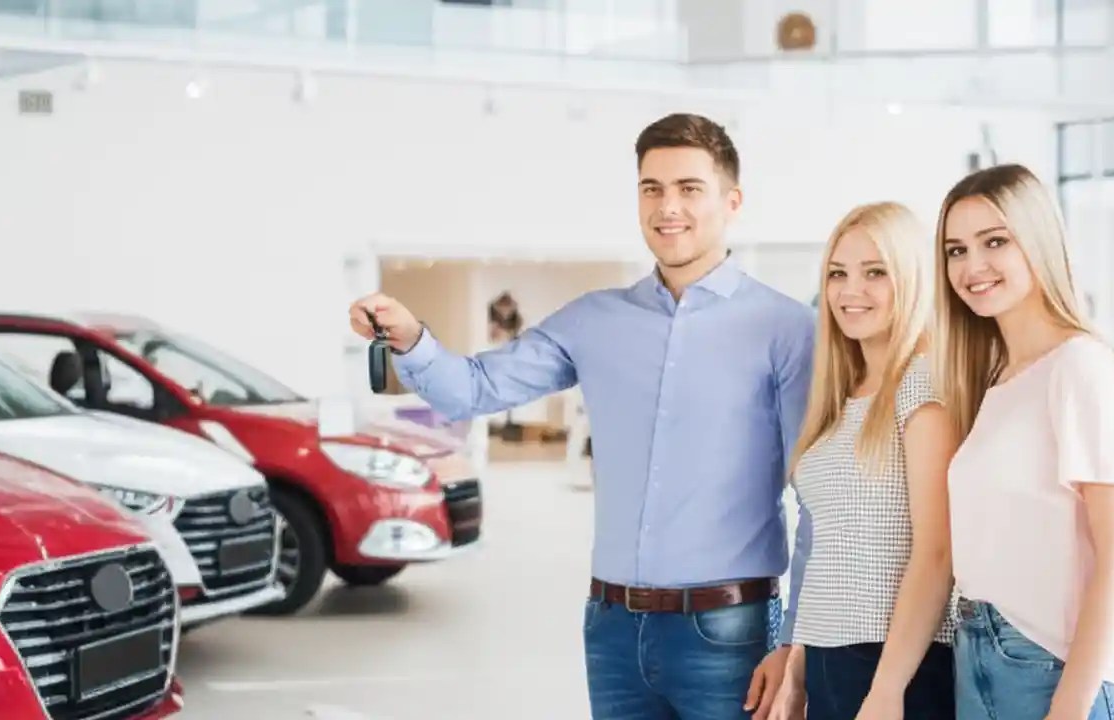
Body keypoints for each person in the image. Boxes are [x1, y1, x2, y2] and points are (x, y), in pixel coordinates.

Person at [348, 112, 816, 719]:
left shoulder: (788, 330)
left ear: (732, 201)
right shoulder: (594, 320)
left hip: (730, 633)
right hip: (612, 630)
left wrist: (794, 643)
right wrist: (410, 338)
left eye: (688, 189)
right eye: (652, 188)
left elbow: (818, 501)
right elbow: (474, 388)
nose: (667, 206)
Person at [935, 163, 1114, 720]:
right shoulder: (999, 379)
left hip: (1058, 667)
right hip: (981, 653)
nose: (972, 266)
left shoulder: (1080, 364)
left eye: (994, 241)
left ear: (1038, 242)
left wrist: (1071, 706)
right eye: (956, 250)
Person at [767, 202, 957, 720]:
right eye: (838, 274)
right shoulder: (844, 395)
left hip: (897, 661)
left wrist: (888, 688)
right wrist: (800, 665)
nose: (851, 291)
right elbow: (834, 545)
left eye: (875, 273)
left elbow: (936, 554)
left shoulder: (923, 386)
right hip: (833, 655)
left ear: (911, 279)